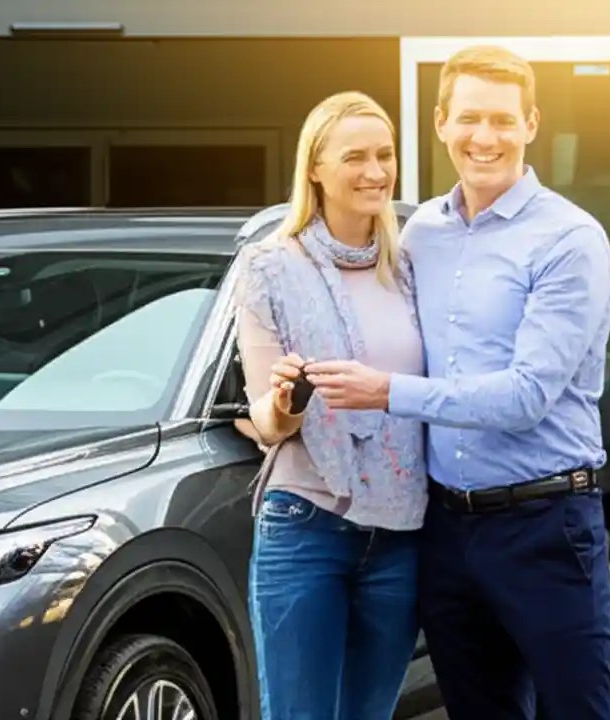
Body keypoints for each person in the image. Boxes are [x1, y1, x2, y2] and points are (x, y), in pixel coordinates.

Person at [305, 45, 610, 720]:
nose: (487, 137)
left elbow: (525, 396)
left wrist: (384, 391)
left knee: (583, 711)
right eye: (471, 118)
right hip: (447, 530)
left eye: (504, 120)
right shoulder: (420, 231)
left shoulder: (569, 239)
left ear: (531, 124)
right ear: (442, 122)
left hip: (547, 527)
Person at [231, 90, 426, 720]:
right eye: (355, 157)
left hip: (402, 530)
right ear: (314, 167)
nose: (375, 172)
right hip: (306, 524)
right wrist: (287, 403)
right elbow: (266, 420)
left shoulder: (412, 267)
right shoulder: (268, 268)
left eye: (385, 155)